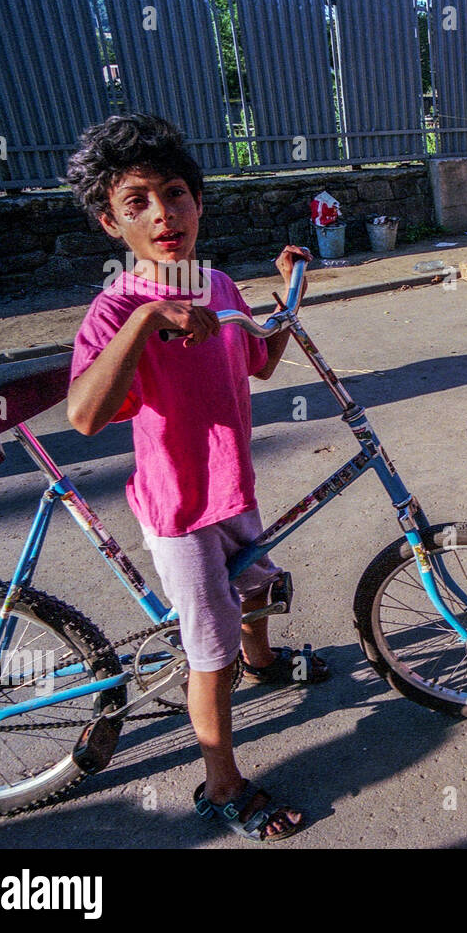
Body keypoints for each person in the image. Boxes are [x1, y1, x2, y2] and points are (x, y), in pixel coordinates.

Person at [65, 113, 324, 842]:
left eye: (175, 193)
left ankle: (263, 661)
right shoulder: (116, 308)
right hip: (180, 510)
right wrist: (148, 319)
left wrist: (288, 293)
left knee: (256, 584)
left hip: (233, 485)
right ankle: (222, 785)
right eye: (137, 202)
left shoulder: (217, 283)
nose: (163, 214)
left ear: (198, 201)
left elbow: (259, 359)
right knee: (208, 655)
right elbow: (84, 416)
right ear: (111, 223)